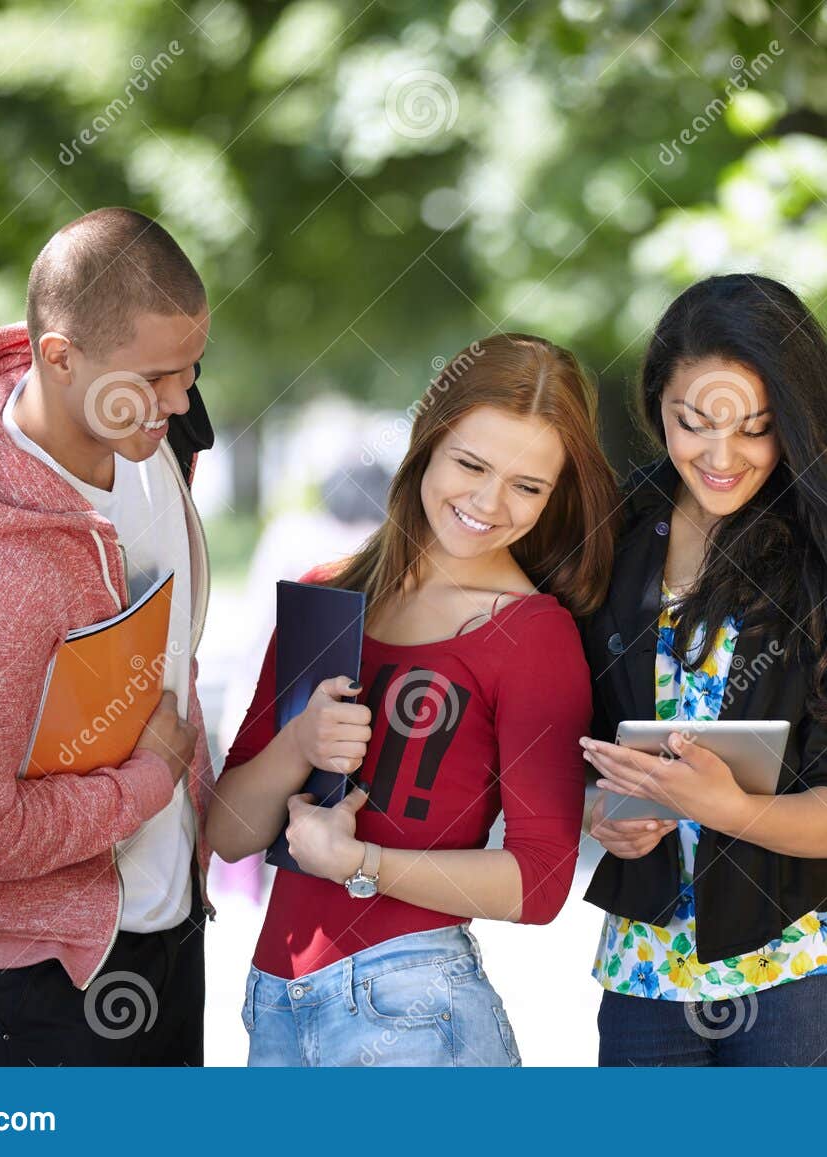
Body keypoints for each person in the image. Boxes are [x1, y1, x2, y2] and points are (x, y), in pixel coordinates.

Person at [0, 207, 217, 1065]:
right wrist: (147, 782)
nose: (182, 401)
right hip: (39, 980)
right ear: (59, 356)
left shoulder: (142, 439)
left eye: (192, 368)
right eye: (160, 376)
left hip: (163, 934)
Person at [209, 333, 618, 1067]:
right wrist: (298, 745)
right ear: (427, 442)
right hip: (275, 1003)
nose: (489, 503)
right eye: (471, 464)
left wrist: (360, 860)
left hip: (415, 1009)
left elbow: (541, 883)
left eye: (528, 486)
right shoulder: (328, 595)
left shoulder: (533, 634)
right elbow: (230, 830)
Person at [580, 274, 827, 1067]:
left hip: (807, 968)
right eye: (693, 424)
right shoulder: (615, 537)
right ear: (656, 405)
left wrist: (722, 805)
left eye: (755, 429)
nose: (720, 456)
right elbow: (582, 734)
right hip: (646, 976)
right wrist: (602, 813)